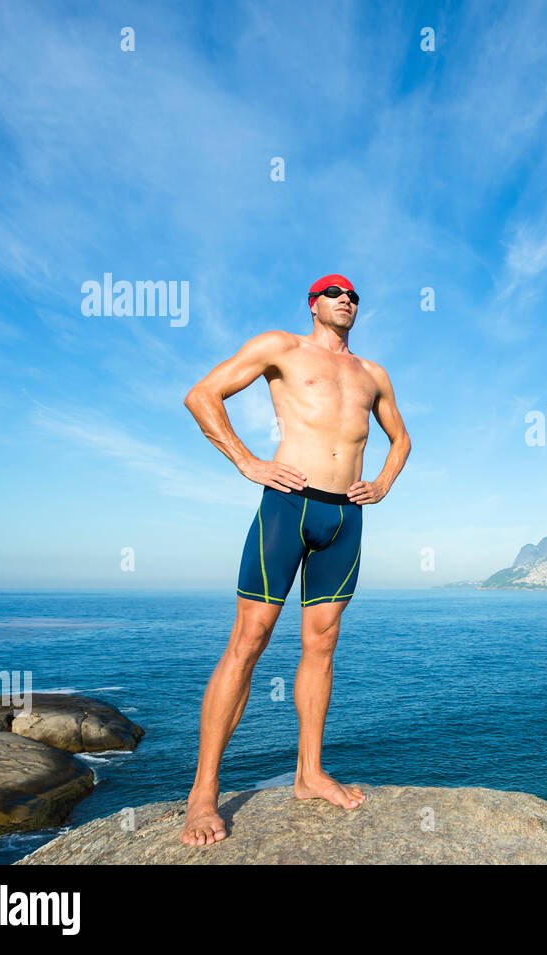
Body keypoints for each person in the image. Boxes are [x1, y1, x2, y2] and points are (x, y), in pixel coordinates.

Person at [177, 273, 411, 846]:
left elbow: (401, 440)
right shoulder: (280, 347)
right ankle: (203, 793)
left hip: (345, 519)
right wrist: (247, 461)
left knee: (323, 644)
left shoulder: (373, 374)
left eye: (354, 296)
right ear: (314, 303)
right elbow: (201, 396)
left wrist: (380, 482)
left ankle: (308, 774)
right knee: (248, 641)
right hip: (286, 508)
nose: (347, 300)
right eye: (336, 293)